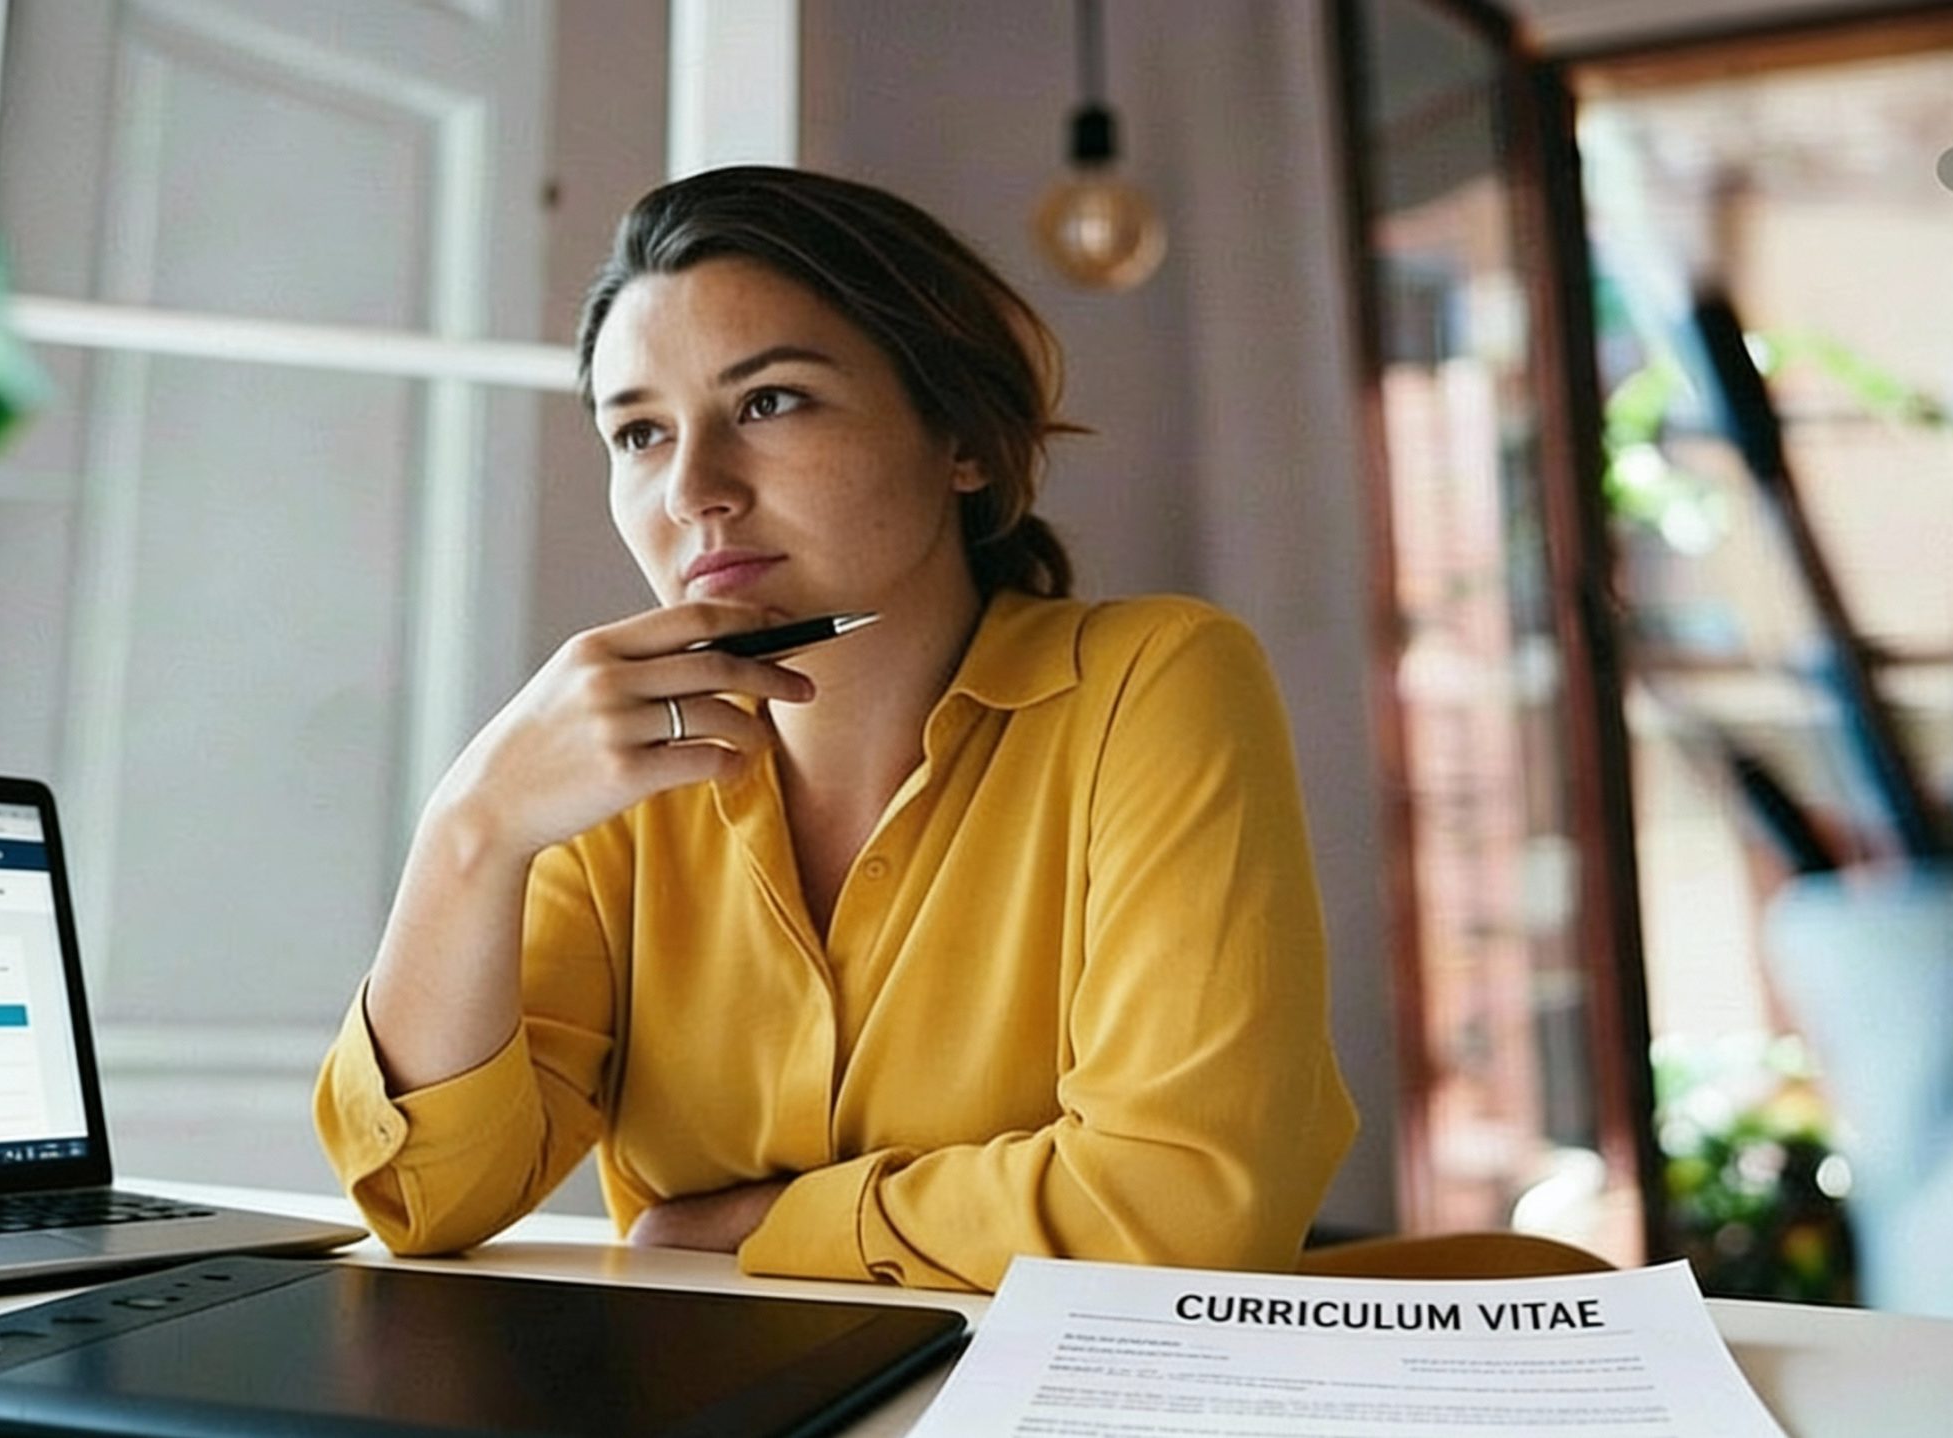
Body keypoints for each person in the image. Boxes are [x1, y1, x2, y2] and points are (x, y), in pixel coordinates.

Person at [314, 165, 1355, 1293]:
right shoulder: (614, 781)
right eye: (641, 433)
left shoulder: (1152, 681)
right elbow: (424, 1198)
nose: (693, 490)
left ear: (959, 436)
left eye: (769, 402)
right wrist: (473, 828)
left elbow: (1188, 1214)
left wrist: (758, 1224)